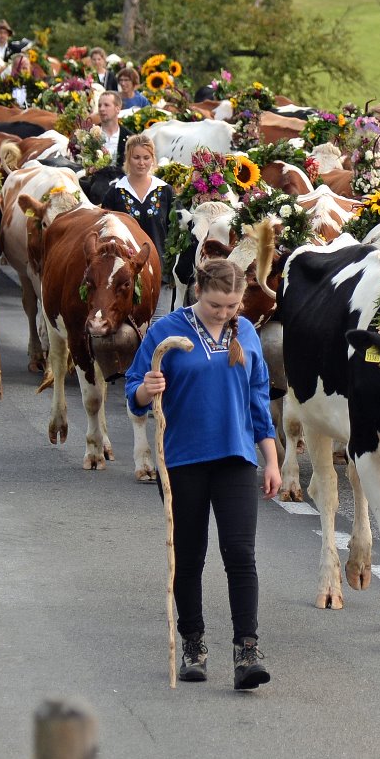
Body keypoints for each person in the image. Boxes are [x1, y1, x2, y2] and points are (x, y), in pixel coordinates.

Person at [127, 259, 278, 690]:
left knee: (240, 554)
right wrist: (146, 389)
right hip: (181, 460)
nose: (224, 312)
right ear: (197, 291)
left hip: (235, 457)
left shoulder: (245, 332)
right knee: (189, 557)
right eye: (216, 304)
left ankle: (246, 650)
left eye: (232, 305)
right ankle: (192, 643)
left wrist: (270, 459)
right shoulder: (165, 332)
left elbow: (258, 399)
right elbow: (134, 394)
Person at [103, 133, 175, 318]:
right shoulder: (115, 193)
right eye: (136, 157)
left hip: (160, 273)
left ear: (153, 159)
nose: (141, 163)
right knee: (129, 332)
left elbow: (174, 232)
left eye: (146, 157)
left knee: (159, 329)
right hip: (125, 275)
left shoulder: (165, 191)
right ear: (128, 158)